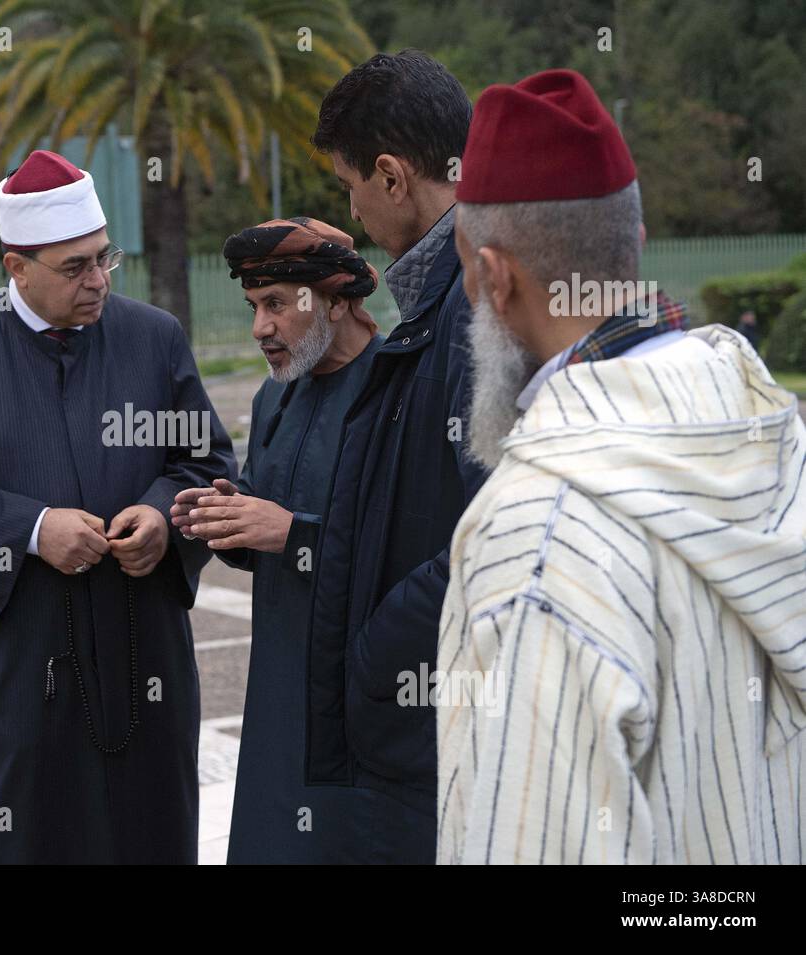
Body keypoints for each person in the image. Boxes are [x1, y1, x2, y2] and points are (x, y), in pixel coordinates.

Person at [439, 68, 806, 864]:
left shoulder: (537, 533)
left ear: (494, 276)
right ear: (633, 244)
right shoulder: (778, 438)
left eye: (468, 272)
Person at [0, 150, 236, 863]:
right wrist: (33, 529)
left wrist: (162, 517)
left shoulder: (153, 338)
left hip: (144, 666)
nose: (98, 280)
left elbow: (206, 463)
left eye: (105, 258)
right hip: (23, 679)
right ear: (17, 267)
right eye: (75, 267)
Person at [301, 49, 488, 861]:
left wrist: (377, 650)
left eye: (349, 185)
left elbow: (494, 537)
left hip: (436, 745)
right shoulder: (443, 298)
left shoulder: (474, 308)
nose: (350, 207)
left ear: (391, 175)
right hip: (424, 735)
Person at [172, 216, 385, 862]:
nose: (260, 328)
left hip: (365, 710)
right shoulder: (275, 399)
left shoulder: (398, 394)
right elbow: (268, 516)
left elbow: (412, 551)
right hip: (276, 703)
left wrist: (294, 534)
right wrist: (228, 522)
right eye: (253, 307)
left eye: (275, 304)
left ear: (337, 301)